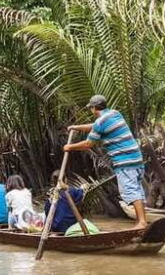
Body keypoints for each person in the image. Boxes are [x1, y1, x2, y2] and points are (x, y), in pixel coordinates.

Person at [64, 94, 148, 229]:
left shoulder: (100, 122)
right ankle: (140, 221)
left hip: (125, 161)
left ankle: (142, 222)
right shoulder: (115, 113)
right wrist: (76, 127)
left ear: (93, 108)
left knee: (131, 190)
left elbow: (88, 144)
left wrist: (69, 147)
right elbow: (95, 126)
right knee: (136, 190)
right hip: (136, 158)